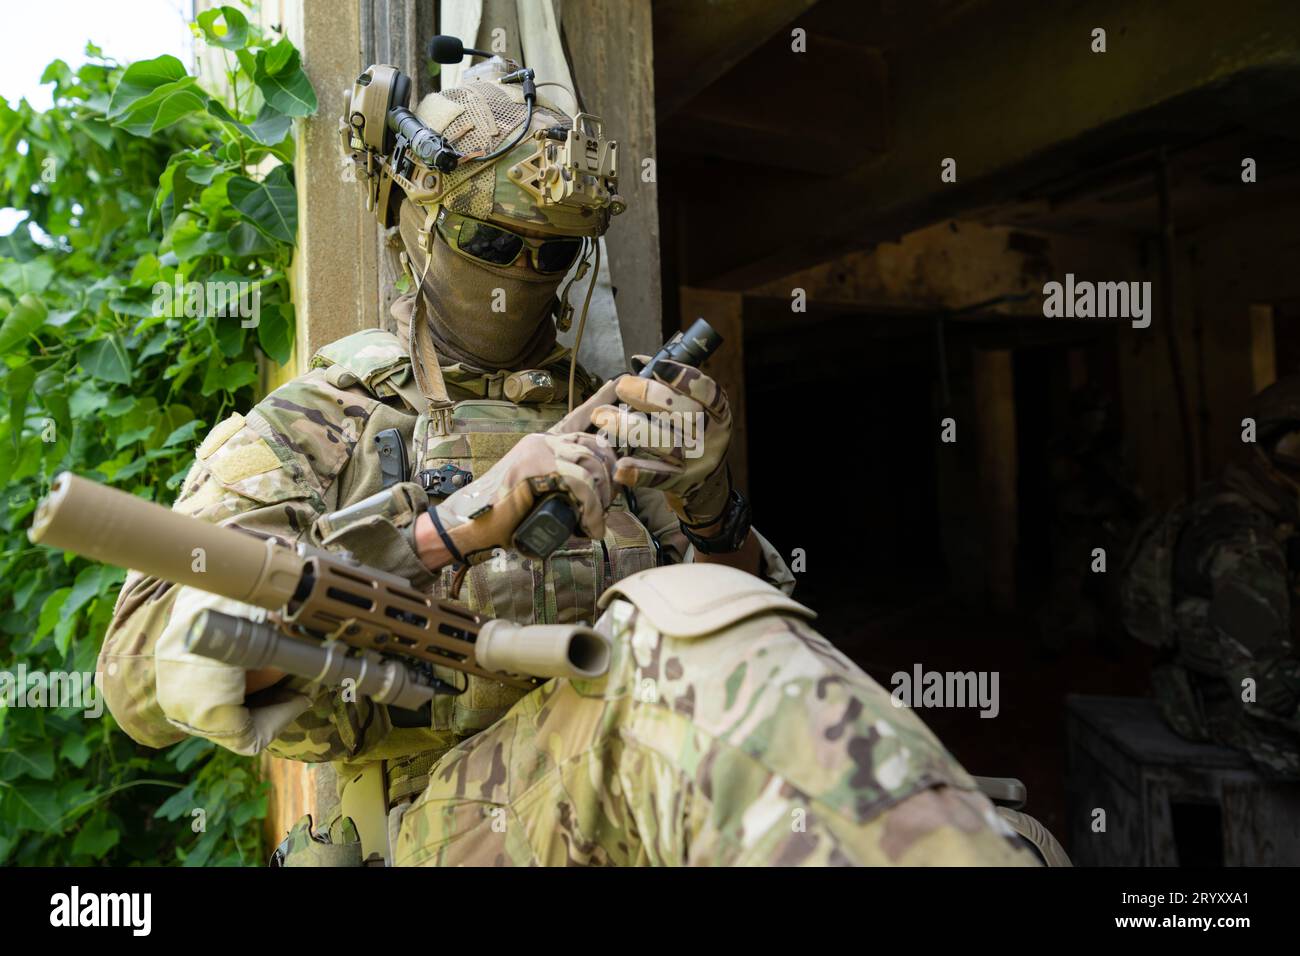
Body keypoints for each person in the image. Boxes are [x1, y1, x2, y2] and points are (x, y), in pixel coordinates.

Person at [98, 57, 1035, 866]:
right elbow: (141, 671)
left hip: (640, 797)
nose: (518, 278)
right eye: (491, 240)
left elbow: (755, 626)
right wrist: (444, 531)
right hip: (438, 823)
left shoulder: (615, 417)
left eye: (550, 254)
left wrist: (709, 501)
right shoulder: (319, 424)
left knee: (1015, 836)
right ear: (414, 215)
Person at [1121, 377, 1300, 779]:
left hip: (1214, 692)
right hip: (1232, 714)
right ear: (1266, 453)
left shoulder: (1244, 508)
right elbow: (1265, 691)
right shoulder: (1243, 540)